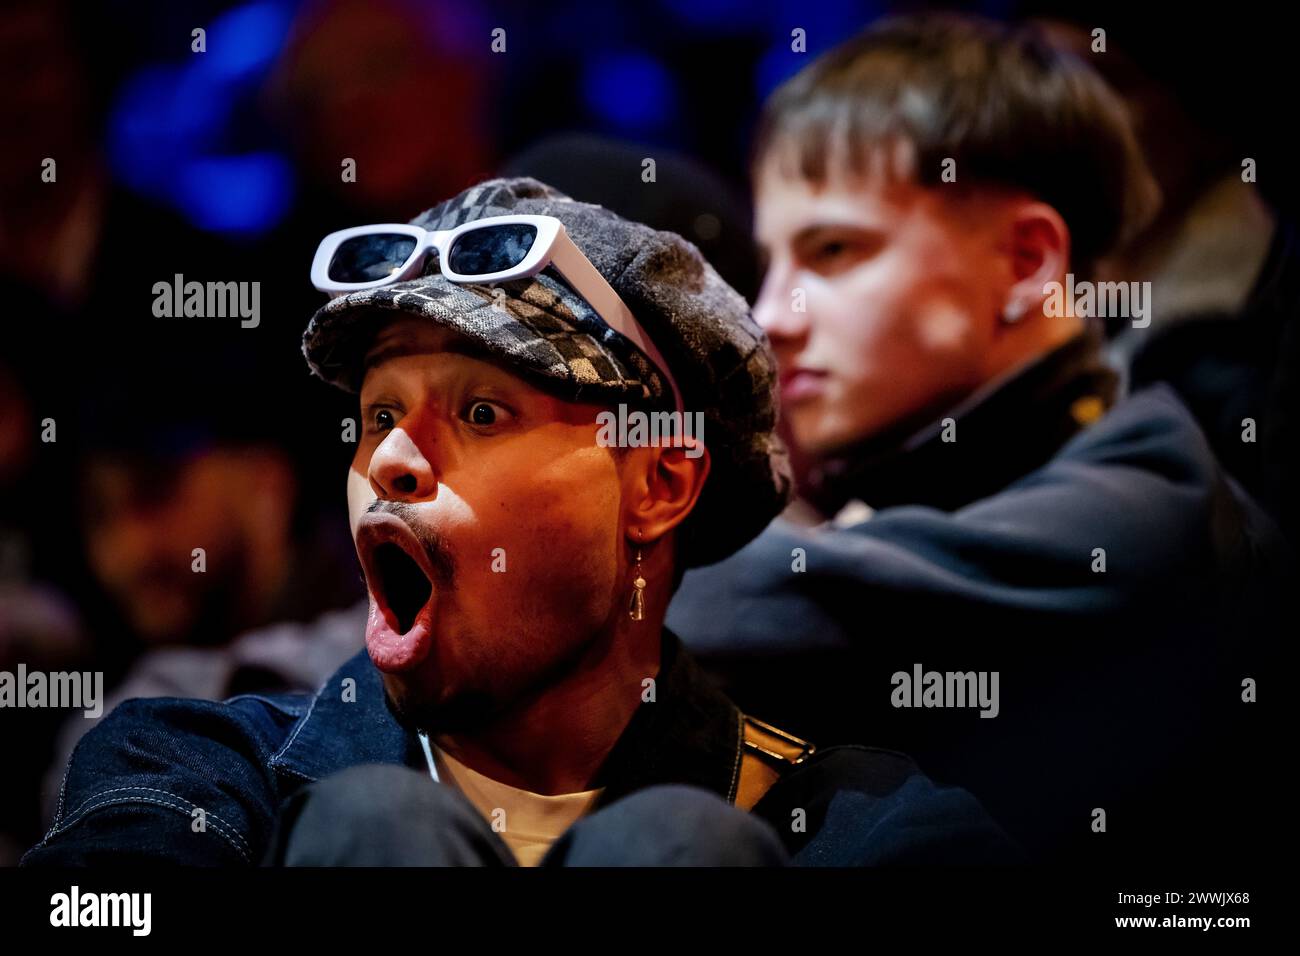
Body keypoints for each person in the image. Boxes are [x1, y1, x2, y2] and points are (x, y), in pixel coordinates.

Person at [23, 177, 1015, 866]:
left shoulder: (859, 827)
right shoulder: (189, 766)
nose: (392, 459)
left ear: (659, 483)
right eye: (377, 414)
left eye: (482, 412)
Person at [666, 15, 1290, 863]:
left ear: (1028, 261)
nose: (772, 315)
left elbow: (718, 599)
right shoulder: (925, 482)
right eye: (772, 263)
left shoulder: (1149, 507)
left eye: (835, 250)